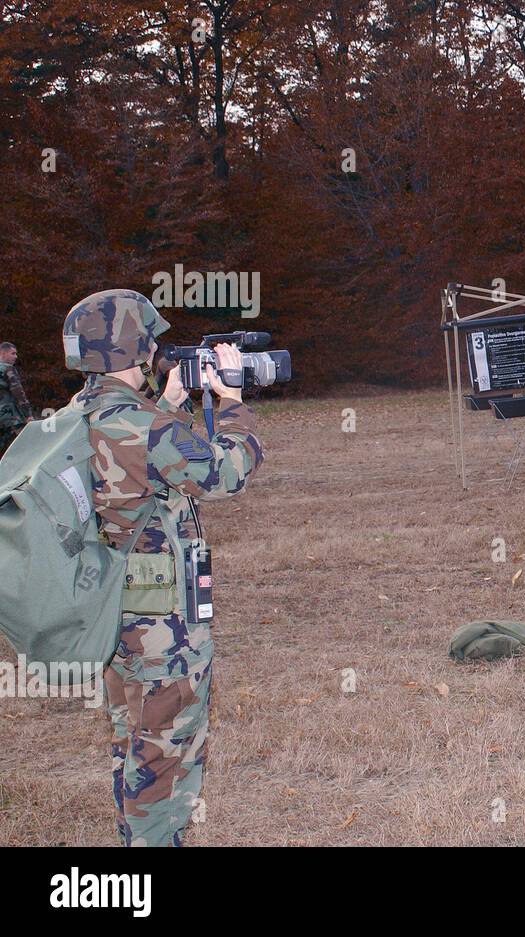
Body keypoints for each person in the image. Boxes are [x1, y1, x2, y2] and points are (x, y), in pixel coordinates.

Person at [63, 289, 265, 845]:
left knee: (133, 743)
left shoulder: (80, 415)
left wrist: (169, 402)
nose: (157, 349)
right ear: (134, 347)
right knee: (167, 755)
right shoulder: (146, 427)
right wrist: (232, 402)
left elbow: (134, 475)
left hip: (112, 615)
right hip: (162, 626)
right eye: (149, 340)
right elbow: (227, 471)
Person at [0, 341, 35, 456]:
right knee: (27, 446)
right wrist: (28, 414)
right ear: (3, 354)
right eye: (13, 353)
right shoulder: (8, 369)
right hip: (11, 415)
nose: (16, 357)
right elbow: (18, 393)